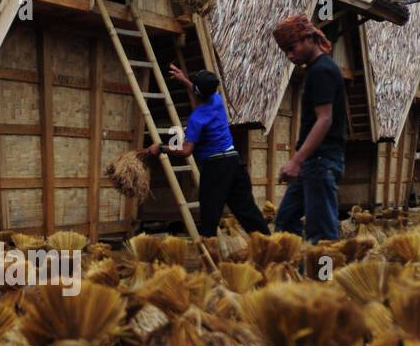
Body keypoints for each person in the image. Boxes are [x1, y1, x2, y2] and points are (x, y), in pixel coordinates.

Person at [141, 65, 269, 237]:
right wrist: (185, 80)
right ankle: (269, 245)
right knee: (247, 210)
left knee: (210, 214)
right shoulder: (217, 100)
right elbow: (199, 91)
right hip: (234, 162)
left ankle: (208, 251)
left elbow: (186, 150)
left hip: (215, 167)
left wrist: (161, 147)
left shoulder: (197, 118)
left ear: (198, 92)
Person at [271, 13, 346, 242]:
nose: (290, 55)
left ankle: (324, 276)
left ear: (308, 39)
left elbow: (324, 119)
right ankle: (296, 274)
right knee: (285, 222)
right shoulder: (315, 70)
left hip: (321, 162)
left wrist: (296, 161)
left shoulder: (323, 70)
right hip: (312, 162)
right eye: (285, 51)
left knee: (321, 234)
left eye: (292, 48)